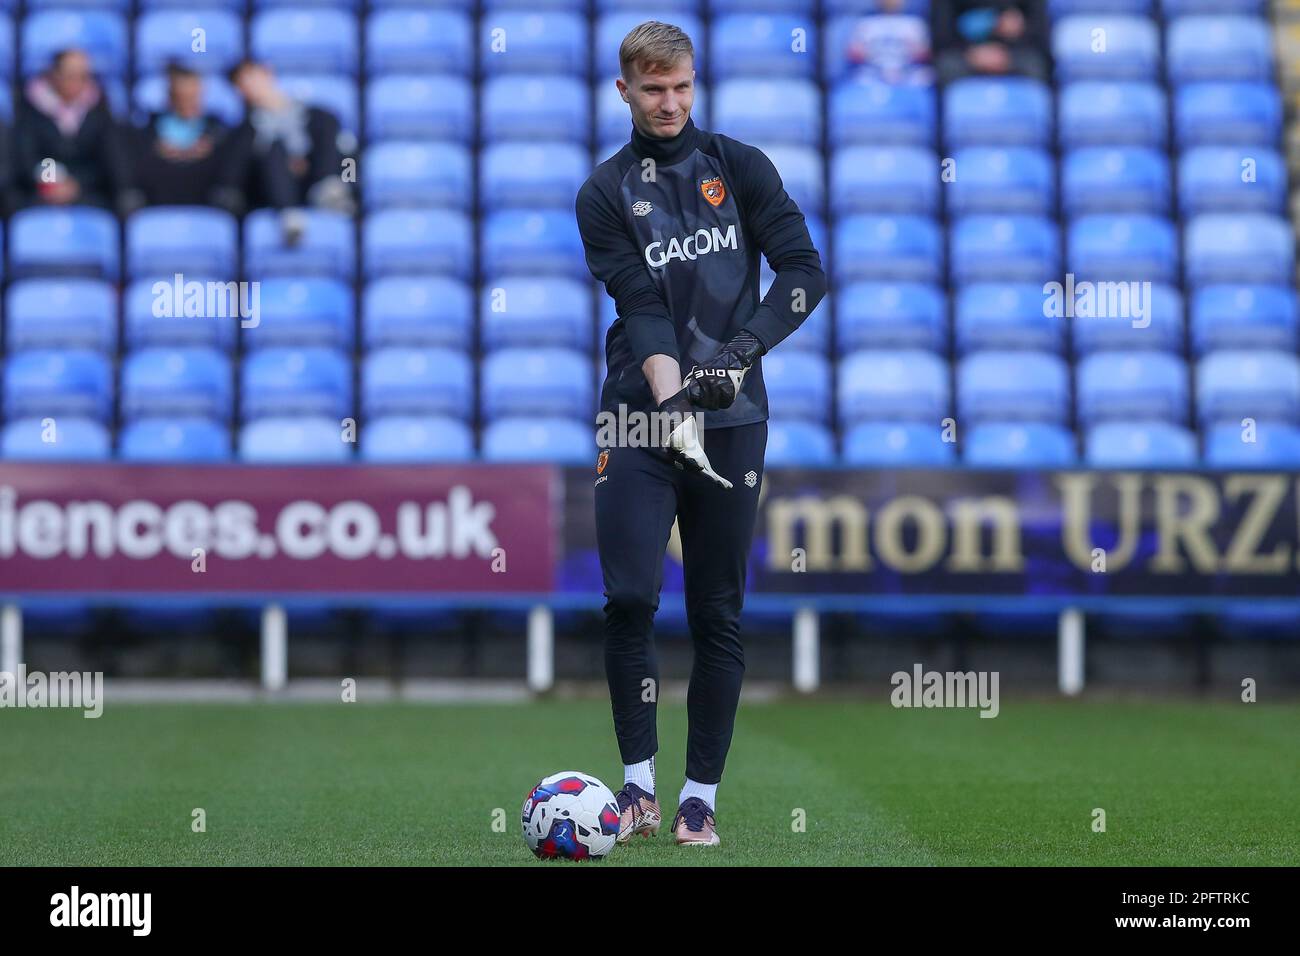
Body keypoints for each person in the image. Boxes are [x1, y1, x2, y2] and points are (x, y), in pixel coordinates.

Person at [575, 21, 826, 847]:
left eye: (681, 86)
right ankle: (638, 787)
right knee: (631, 599)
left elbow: (803, 271)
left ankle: (697, 800)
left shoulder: (740, 166)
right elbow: (641, 308)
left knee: (717, 611)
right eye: (653, 89)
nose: (670, 102)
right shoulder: (605, 193)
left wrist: (734, 360)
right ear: (625, 92)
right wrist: (672, 399)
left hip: (734, 420)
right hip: (637, 414)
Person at [224, 59, 353, 221]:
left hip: (315, 177)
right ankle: (289, 215)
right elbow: (235, 175)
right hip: (271, 191)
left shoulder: (320, 116)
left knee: (338, 138)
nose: (249, 86)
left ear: (267, 73)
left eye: (251, 77)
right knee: (272, 148)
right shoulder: (244, 131)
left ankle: (330, 190)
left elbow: (348, 155)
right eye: (240, 83)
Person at [14, 49, 137, 212]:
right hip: (40, 191)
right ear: (54, 75)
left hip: (88, 191)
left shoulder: (99, 111)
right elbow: (26, 157)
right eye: (70, 75)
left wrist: (77, 184)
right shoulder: (30, 109)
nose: (77, 82)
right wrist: (51, 181)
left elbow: (109, 161)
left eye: (83, 77)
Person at [130, 62, 231, 207]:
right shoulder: (149, 128)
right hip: (161, 190)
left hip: (203, 191)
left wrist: (207, 149)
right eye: (183, 97)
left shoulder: (217, 128)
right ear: (171, 96)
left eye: (193, 97)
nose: (189, 103)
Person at [931, 0, 1050, 83]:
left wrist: (1006, 51)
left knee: (1034, 66)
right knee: (947, 67)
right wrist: (972, 52)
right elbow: (942, 34)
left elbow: (1039, 34)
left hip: (1014, 51)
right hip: (964, 52)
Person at [843, 0, 934, 85]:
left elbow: (924, 54)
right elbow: (853, 54)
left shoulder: (914, 24)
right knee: (857, 79)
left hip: (907, 74)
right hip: (872, 74)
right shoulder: (866, 24)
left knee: (925, 77)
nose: (890, 1)